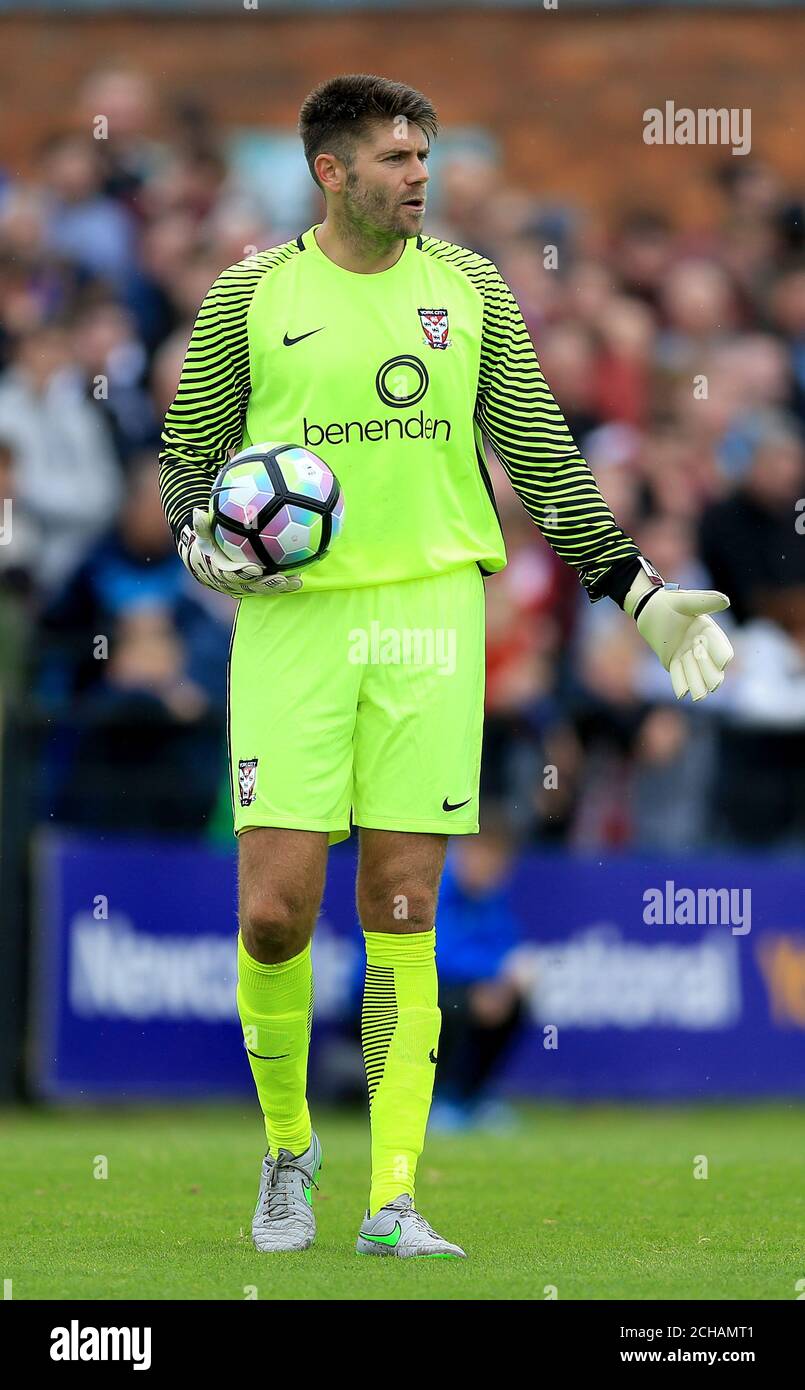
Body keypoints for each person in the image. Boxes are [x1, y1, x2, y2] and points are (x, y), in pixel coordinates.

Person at [158, 74, 734, 1260]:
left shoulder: (468, 289)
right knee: (272, 915)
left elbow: (540, 453)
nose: (421, 173)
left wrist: (639, 592)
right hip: (297, 626)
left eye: (425, 154)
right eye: (394, 157)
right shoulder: (250, 294)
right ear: (331, 172)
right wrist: (207, 551)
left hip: (431, 618)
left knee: (402, 908)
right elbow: (185, 464)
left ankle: (394, 1197)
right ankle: (286, 1154)